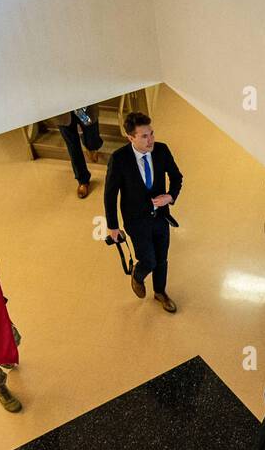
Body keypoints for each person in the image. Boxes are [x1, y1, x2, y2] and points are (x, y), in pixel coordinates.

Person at [104, 111, 182, 314]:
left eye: (152, 133)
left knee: (162, 258)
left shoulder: (162, 150)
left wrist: (170, 196)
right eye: (144, 136)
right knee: (149, 260)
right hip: (136, 221)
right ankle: (138, 276)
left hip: (160, 217)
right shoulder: (119, 159)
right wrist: (112, 226)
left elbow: (176, 177)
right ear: (131, 137)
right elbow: (110, 195)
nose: (151, 140)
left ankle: (160, 292)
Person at [55, 106, 103, 199]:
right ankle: (82, 180)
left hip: (84, 106)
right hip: (63, 110)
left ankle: (90, 146)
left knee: (92, 140)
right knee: (72, 146)